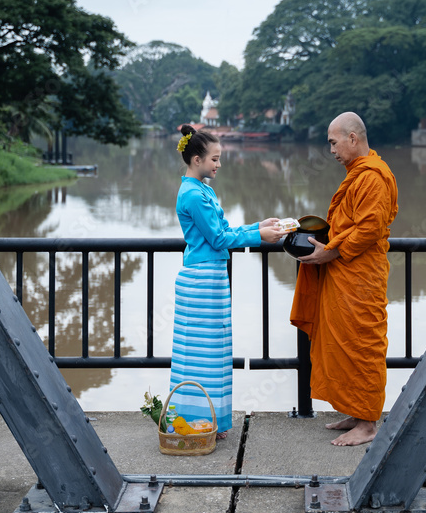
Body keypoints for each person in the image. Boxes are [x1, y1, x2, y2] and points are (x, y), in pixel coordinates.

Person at [169, 125, 286, 440]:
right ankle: (196, 422)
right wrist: (259, 236)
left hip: (211, 275)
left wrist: (256, 226)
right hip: (202, 277)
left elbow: (221, 229)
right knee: (202, 353)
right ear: (196, 160)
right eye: (214, 159)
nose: (218, 165)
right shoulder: (193, 193)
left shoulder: (201, 189)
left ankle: (207, 421)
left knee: (212, 351)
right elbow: (219, 237)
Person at [290, 112, 399, 446]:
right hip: (345, 274)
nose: (332, 150)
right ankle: (356, 412)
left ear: (353, 138)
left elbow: (369, 228)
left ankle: (368, 425)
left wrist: (330, 252)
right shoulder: (358, 174)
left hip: (360, 278)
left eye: (334, 143)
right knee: (343, 344)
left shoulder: (373, 177)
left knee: (362, 345)